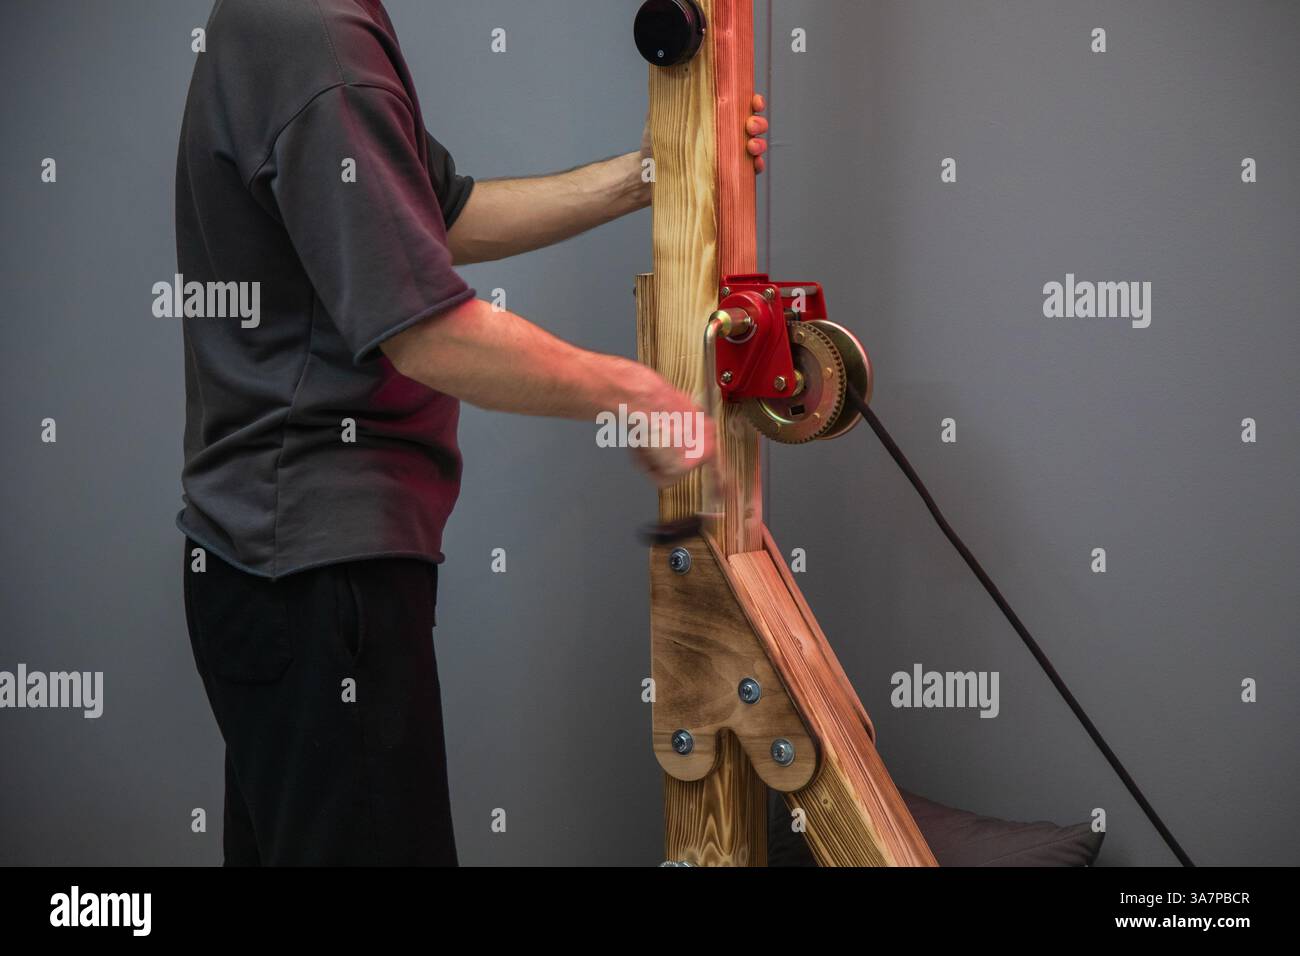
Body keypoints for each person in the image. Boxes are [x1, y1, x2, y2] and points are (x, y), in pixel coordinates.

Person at [175, 0, 767, 865]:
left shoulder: (300, 21)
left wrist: (658, 171)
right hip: (314, 573)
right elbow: (424, 329)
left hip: (278, 568)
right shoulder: (316, 34)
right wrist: (632, 391)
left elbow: (433, 218)